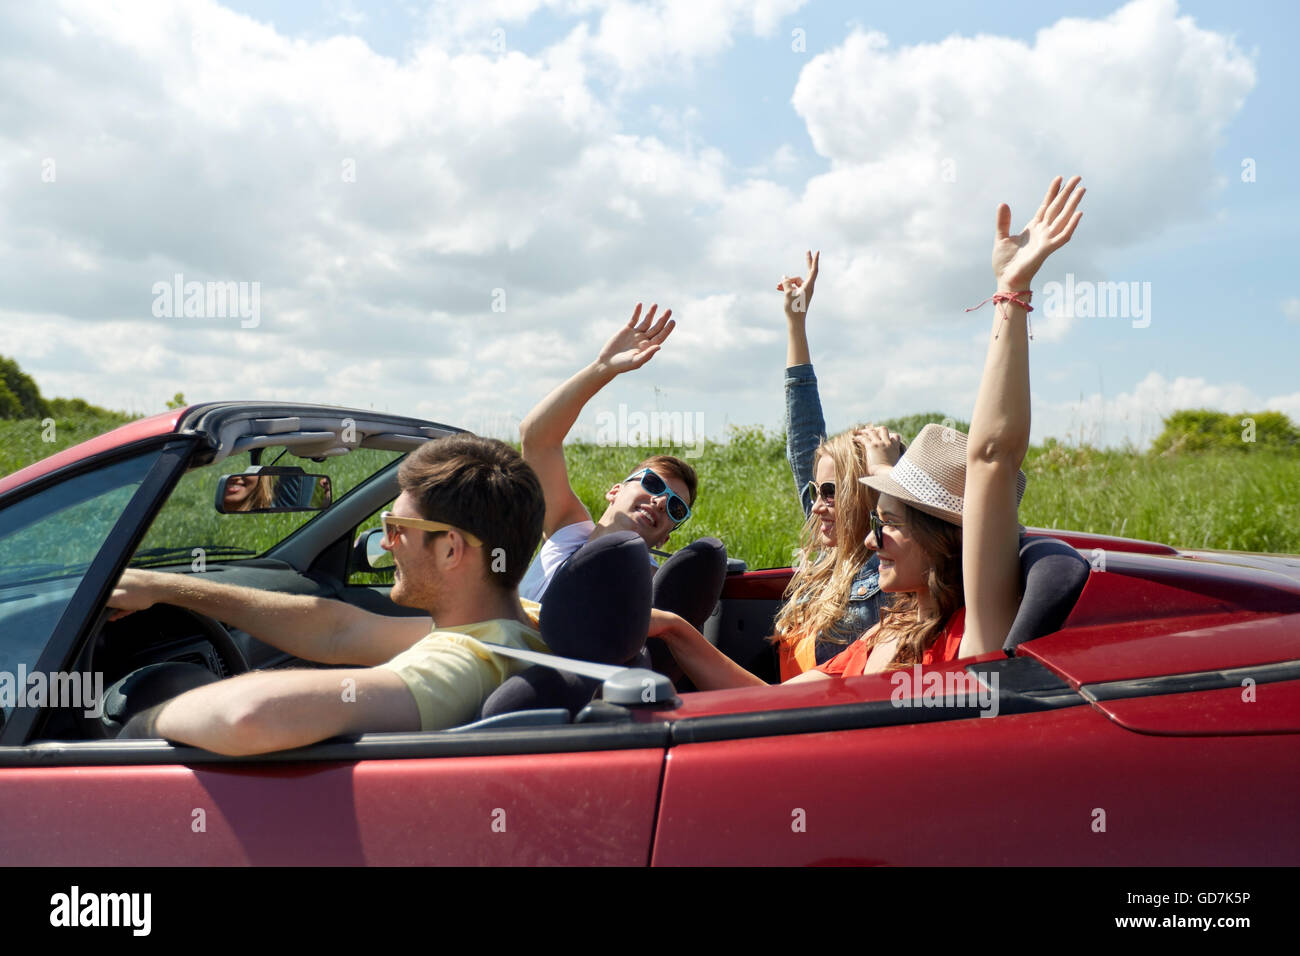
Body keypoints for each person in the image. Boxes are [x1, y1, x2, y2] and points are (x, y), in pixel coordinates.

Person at [651, 175, 1085, 684]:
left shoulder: (973, 635)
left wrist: (1010, 293)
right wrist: (674, 631)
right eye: (879, 523)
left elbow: (990, 456)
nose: (874, 539)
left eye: (889, 525)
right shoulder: (892, 627)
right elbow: (781, 704)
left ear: (945, 542)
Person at [104, 434, 549, 754]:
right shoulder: (523, 621)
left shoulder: (462, 663)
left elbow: (250, 715)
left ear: (451, 548)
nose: (386, 542)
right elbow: (340, 630)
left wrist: (143, 724)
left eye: (396, 529)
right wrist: (165, 587)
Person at [776, 250, 903, 677]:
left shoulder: (889, 575)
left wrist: (890, 473)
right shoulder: (831, 551)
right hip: (783, 714)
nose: (816, 504)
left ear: (866, 494)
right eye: (815, 491)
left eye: (831, 492)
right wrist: (796, 320)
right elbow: (802, 438)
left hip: (814, 725)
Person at [518, 302, 698, 602]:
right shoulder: (567, 529)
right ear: (615, 491)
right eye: (653, 483)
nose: (661, 500)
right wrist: (602, 368)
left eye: (676, 509)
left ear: (665, 537)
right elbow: (536, 438)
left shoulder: (652, 587)